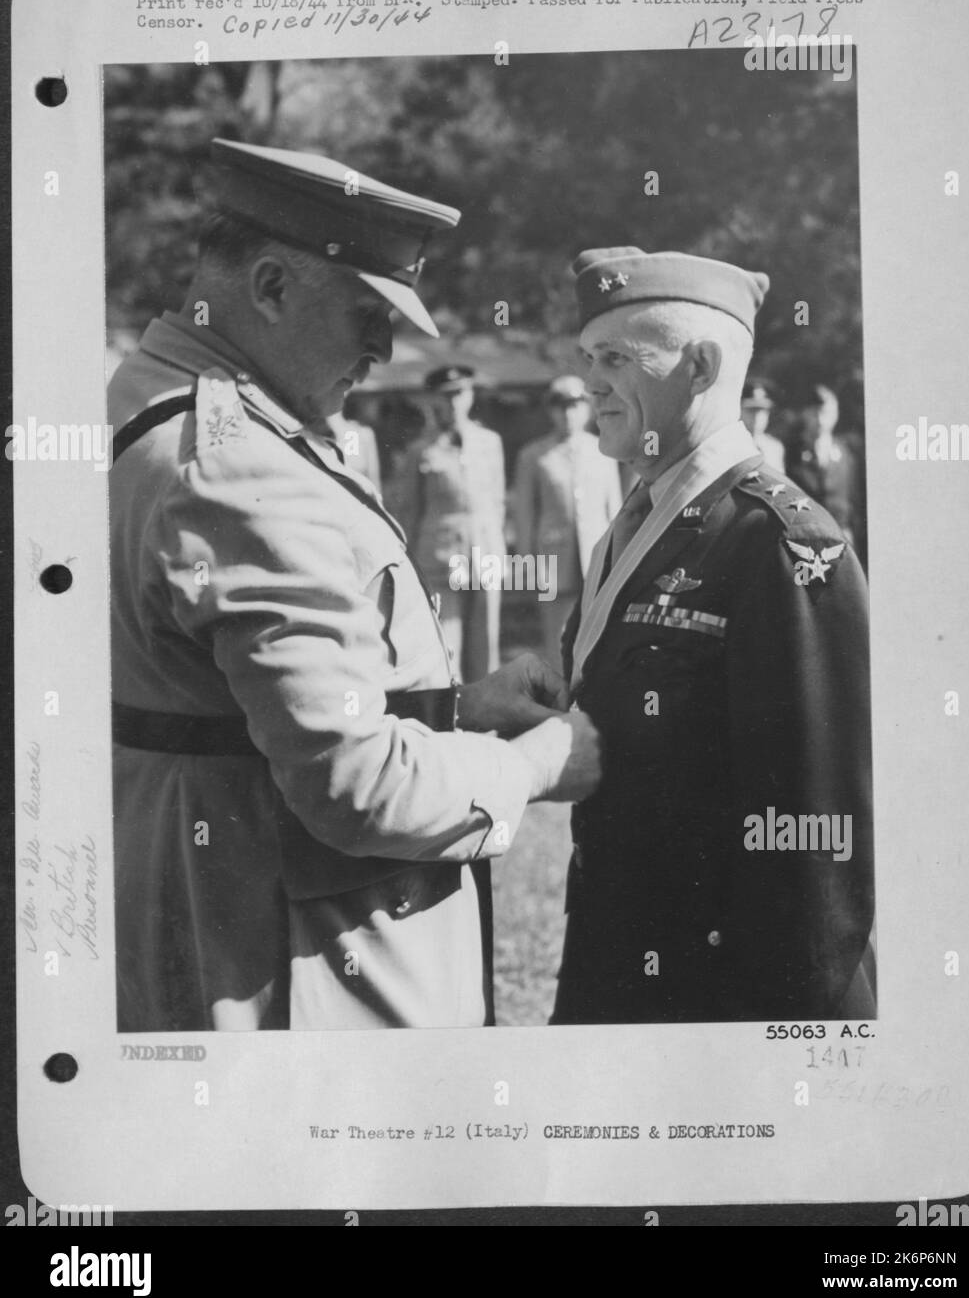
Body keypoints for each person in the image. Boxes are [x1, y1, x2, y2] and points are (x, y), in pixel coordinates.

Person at [108, 138, 600, 1033]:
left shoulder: (161, 402)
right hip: (295, 971)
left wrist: (457, 709)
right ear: (269, 286)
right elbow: (354, 781)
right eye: (366, 311)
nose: (383, 349)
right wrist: (530, 765)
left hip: (211, 912)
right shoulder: (238, 468)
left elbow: (237, 703)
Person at [552, 246, 875, 1025]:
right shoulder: (639, 521)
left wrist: (789, 1046)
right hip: (620, 954)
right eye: (589, 358)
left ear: (699, 366)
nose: (591, 382)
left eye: (617, 359)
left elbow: (815, 833)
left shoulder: (780, 542)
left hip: (718, 993)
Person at [397, 366, 507, 682]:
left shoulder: (490, 442)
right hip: (441, 556)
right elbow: (411, 511)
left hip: (485, 551)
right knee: (448, 640)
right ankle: (452, 719)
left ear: (470, 395)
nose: (454, 402)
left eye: (460, 393)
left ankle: (490, 722)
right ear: (434, 400)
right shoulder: (421, 449)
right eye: (446, 396)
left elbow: (497, 500)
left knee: (486, 640)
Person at [511, 375, 623, 667]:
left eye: (576, 405)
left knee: (598, 632)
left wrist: (621, 555)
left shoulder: (605, 451)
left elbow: (616, 510)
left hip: (597, 556)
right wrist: (527, 563)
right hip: (553, 559)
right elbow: (525, 514)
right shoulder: (534, 455)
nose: (568, 414)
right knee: (558, 638)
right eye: (561, 407)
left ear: (587, 409)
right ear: (551, 411)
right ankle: (560, 700)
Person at [786, 383, 864, 555]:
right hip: (805, 541)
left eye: (825, 413)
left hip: (842, 537)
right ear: (805, 414)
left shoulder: (845, 452)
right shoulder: (791, 453)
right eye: (815, 413)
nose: (821, 420)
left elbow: (853, 501)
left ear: (835, 414)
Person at [740, 376, 785, 471]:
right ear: (739, 411)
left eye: (761, 411)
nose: (756, 417)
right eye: (751, 410)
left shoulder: (775, 447)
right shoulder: (729, 446)